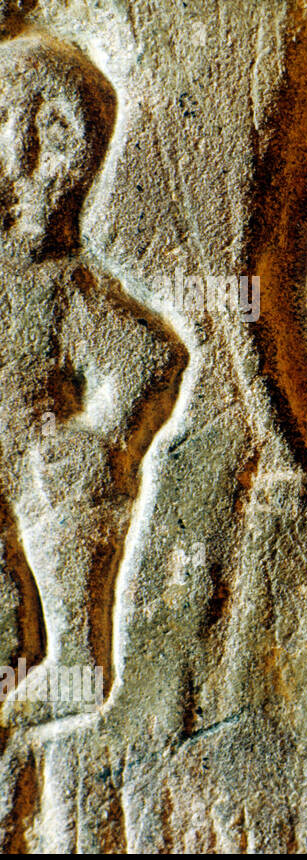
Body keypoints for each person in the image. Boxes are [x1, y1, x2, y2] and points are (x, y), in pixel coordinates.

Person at [0, 32, 183, 724]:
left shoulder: (55, 283)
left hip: (44, 474)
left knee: (65, 496)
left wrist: (103, 436)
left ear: (51, 148)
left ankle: (74, 657)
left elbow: (148, 355)